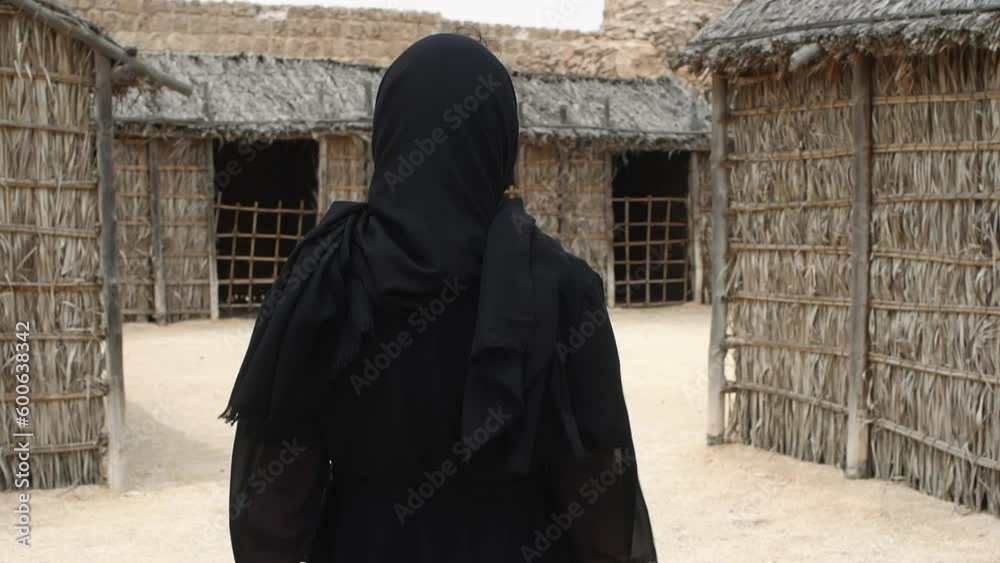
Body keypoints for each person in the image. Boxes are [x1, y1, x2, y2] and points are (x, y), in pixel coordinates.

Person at [221, 33, 657, 563]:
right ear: (499, 138)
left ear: (390, 132)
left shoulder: (326, 279)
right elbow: (597, 501)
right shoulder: (558, 288)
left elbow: (273, 503)